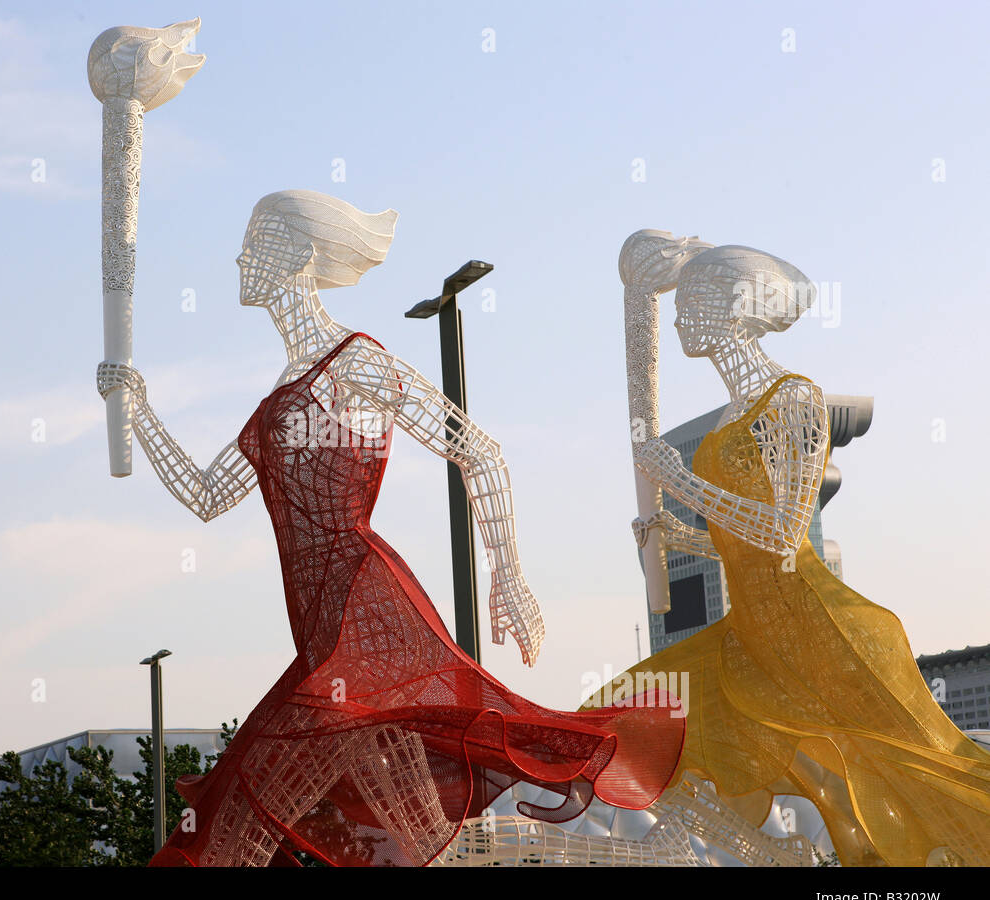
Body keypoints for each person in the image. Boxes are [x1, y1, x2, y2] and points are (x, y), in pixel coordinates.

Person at [99, 189, 685, 865]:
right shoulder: (275, 402)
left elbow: (478, 449)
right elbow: (205, 496)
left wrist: (509, 576)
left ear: (297, 256)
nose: (239, 258)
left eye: (255, 244)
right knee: (397, 819)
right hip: (324, 645)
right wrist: (138, 408)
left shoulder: (356, 362)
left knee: (236, 822)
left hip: (366, 619)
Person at [591, 243, 990, 866]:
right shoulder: (730, 417)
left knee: (918, 774)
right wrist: (675, 532)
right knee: (622, 720)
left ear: (736, 310)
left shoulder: (793, 399)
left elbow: (781, 536)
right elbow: (741, 542)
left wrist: (684, 481)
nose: (677, 318)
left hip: (813, 626)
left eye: (693, 303)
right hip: (749, 635)